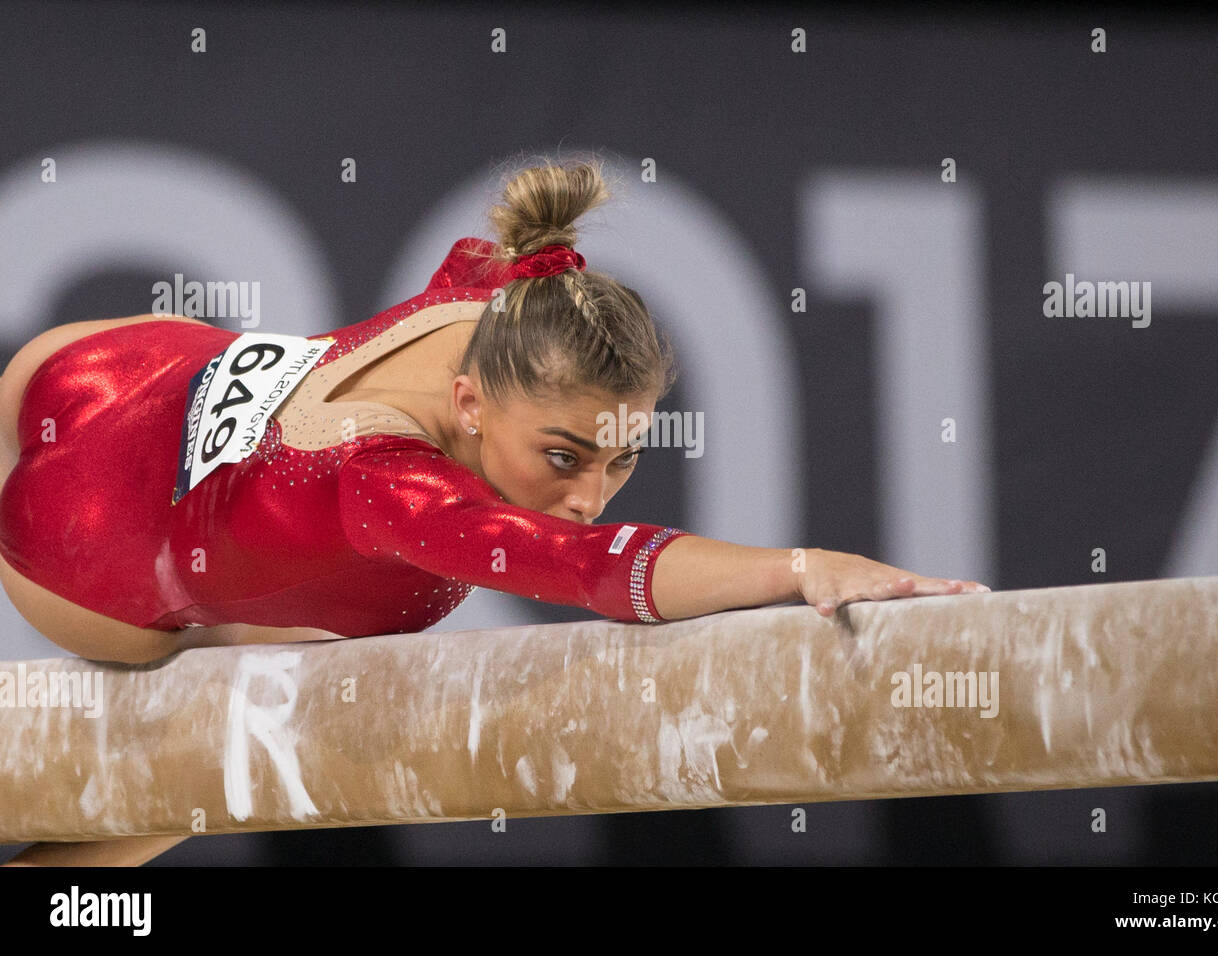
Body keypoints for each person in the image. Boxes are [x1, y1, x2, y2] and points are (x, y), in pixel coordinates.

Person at [0, 158, 987, 866]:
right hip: (83, 555)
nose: (585, 497)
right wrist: (797, 565)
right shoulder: (394, 483)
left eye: (618, 458)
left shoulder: (506, 301)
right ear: (469, 404)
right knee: (246, 729)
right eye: (562, 457)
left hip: (103, 362)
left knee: (263, 672)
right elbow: (595, 566)